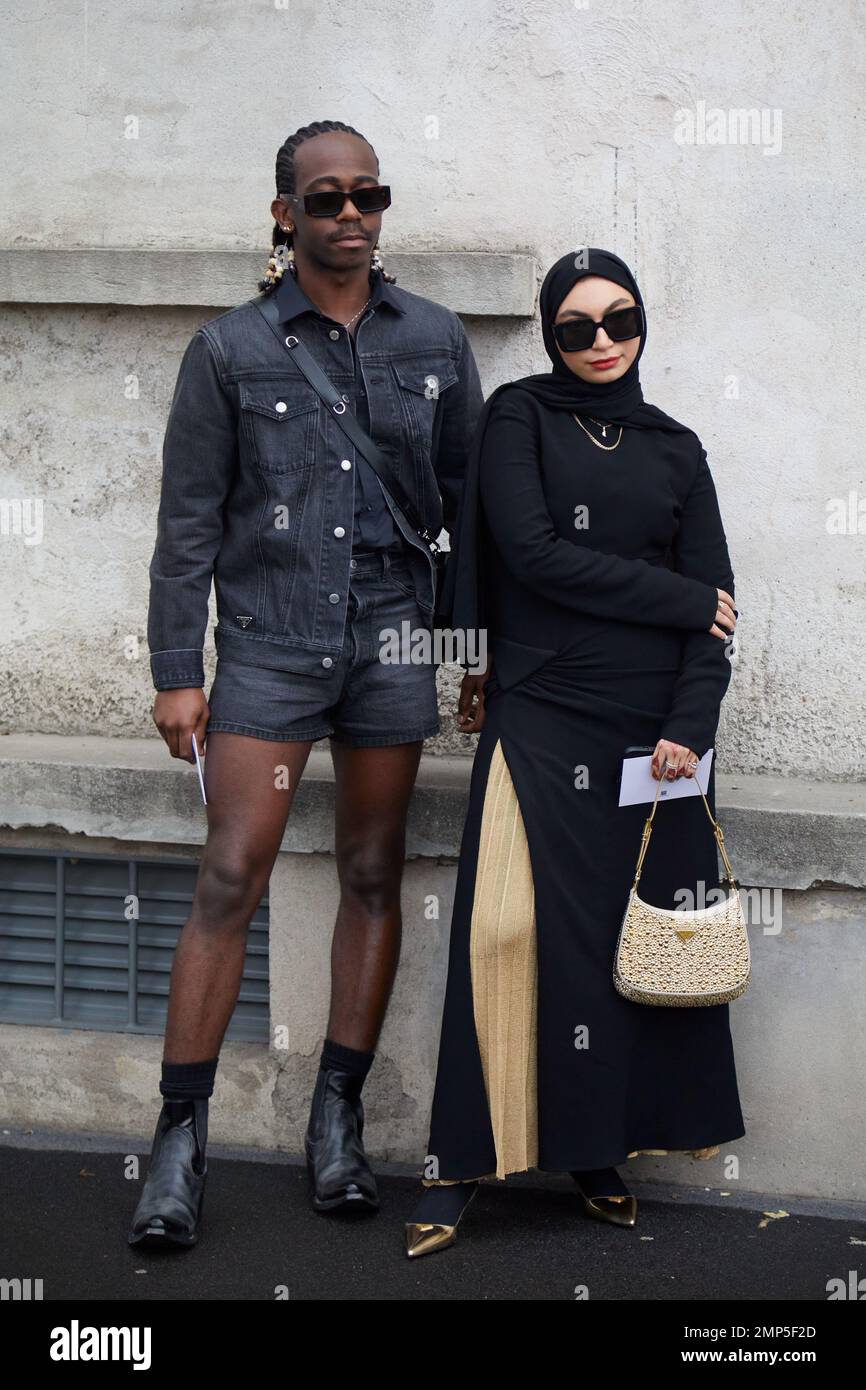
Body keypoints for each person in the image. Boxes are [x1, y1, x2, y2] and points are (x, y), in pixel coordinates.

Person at [128, 120, 484, 1247]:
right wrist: (177, 669)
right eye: (325, 195)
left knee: (374, 868)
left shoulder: (432, 337)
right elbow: (188, 521)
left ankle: (336, 1118)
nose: (349, 213)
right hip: (271, 646)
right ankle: (177, 1143)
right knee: (229, 875)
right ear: (283, 212)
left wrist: (468, 647)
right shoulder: (229, 349)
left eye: (368, 195)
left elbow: (472, 508)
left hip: (392, 642)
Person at [405, 247, 743, 1259]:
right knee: (500, 933)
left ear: (642, 323)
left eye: (619, 320)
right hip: (541, 711)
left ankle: (595, 1153)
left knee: (617, 958)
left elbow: (716, 618)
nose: (601, 342)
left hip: (652, 738)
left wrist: (692, 724)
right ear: (550, 334)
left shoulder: (676, 448)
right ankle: (462, 1159)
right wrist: (680, 598)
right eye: (575, 327)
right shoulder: (518, 417)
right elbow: (535, 554)